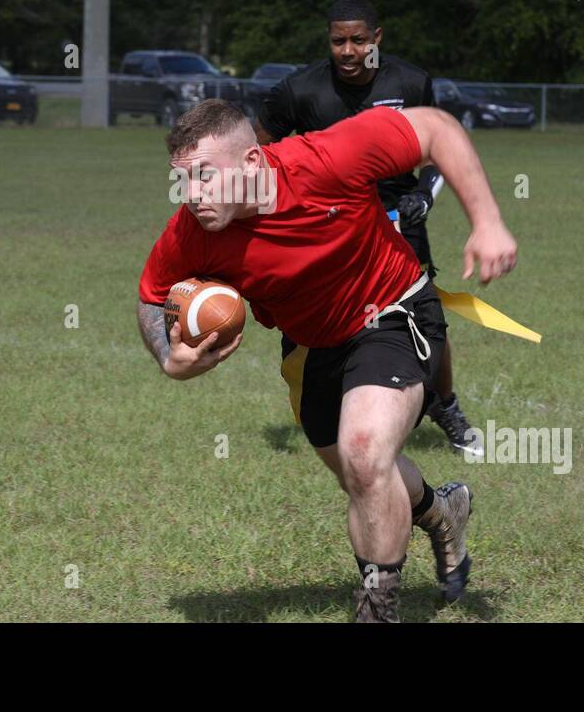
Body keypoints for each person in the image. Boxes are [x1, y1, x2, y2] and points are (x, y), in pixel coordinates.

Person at [136, 99, 517, 621]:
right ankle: (441, 510)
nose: (193, 195)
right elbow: (152, 294)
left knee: (365, 454)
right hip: (313, 343)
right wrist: (167, 354)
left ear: (252, 162)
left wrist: (488, 220)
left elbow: (436, 128)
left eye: (205, 177)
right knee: (362, 477)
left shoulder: (326, 160)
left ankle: (377, 609)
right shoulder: (193, 229)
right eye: (183, 180)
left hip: (393, 310)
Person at [256, 0, 477, 454]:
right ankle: (326, 406)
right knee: (308, 316)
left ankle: (445, 405)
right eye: (338, 41)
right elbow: (256, 154)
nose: (348, 50)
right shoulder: (300, 91)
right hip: (327, 226)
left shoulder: (411, 82)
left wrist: (422, 197)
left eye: (358, 39)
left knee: (425, 313)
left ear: (377, 38)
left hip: (398, 219)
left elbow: (440, 152)